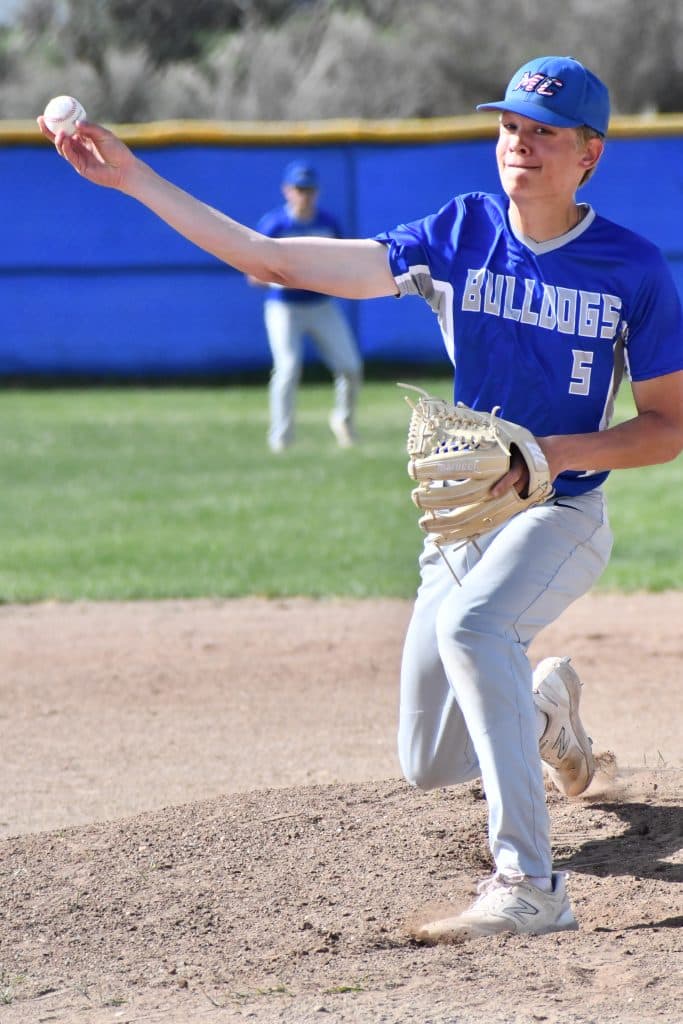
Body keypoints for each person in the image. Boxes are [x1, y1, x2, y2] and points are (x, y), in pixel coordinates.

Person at [39, 54, 683, 941]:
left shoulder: (633, 269)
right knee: (427, 762)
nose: (519, 146)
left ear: (590, 156)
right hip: (464, 522)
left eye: (544, 132)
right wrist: (133, 177)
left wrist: (551, 455)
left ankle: (531, 885)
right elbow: (271, 261)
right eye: (509, 127)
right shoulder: (461, 234)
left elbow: (666, 425)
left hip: (562, 512)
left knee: (474, 629)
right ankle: (542, 711)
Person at [248, 160, 363, 452]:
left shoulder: (327, 223)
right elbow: (253, 274)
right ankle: (281, 438)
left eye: (309, 189)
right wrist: (278, 276)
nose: (304, 195)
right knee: (287, 368)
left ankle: (343, 422)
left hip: (320, 303)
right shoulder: (275, 224)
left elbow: (344, 261)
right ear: (287, 191)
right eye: (299, 189)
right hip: (284, 306)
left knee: (350, 367)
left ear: (317, 191)